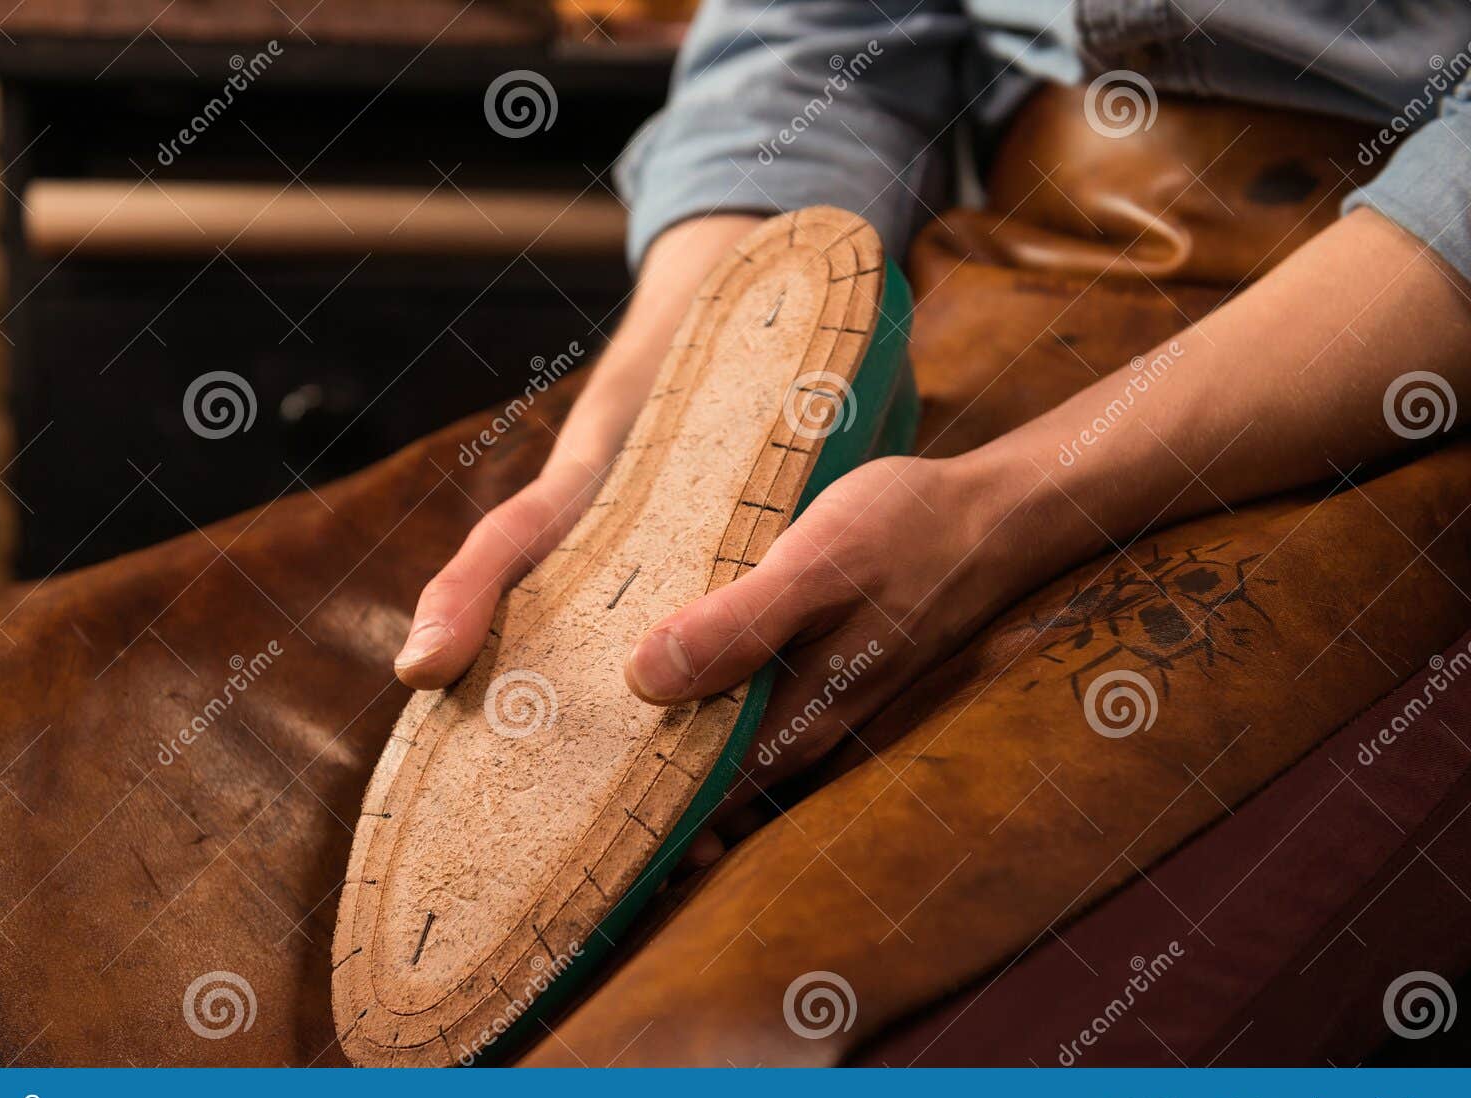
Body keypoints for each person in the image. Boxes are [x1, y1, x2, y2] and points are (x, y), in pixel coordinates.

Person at [393, 0, 1471, 793]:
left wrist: (1000, 508)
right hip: (1015, 283)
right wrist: (642, 433)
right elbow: (814, 53)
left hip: (1396, 339)